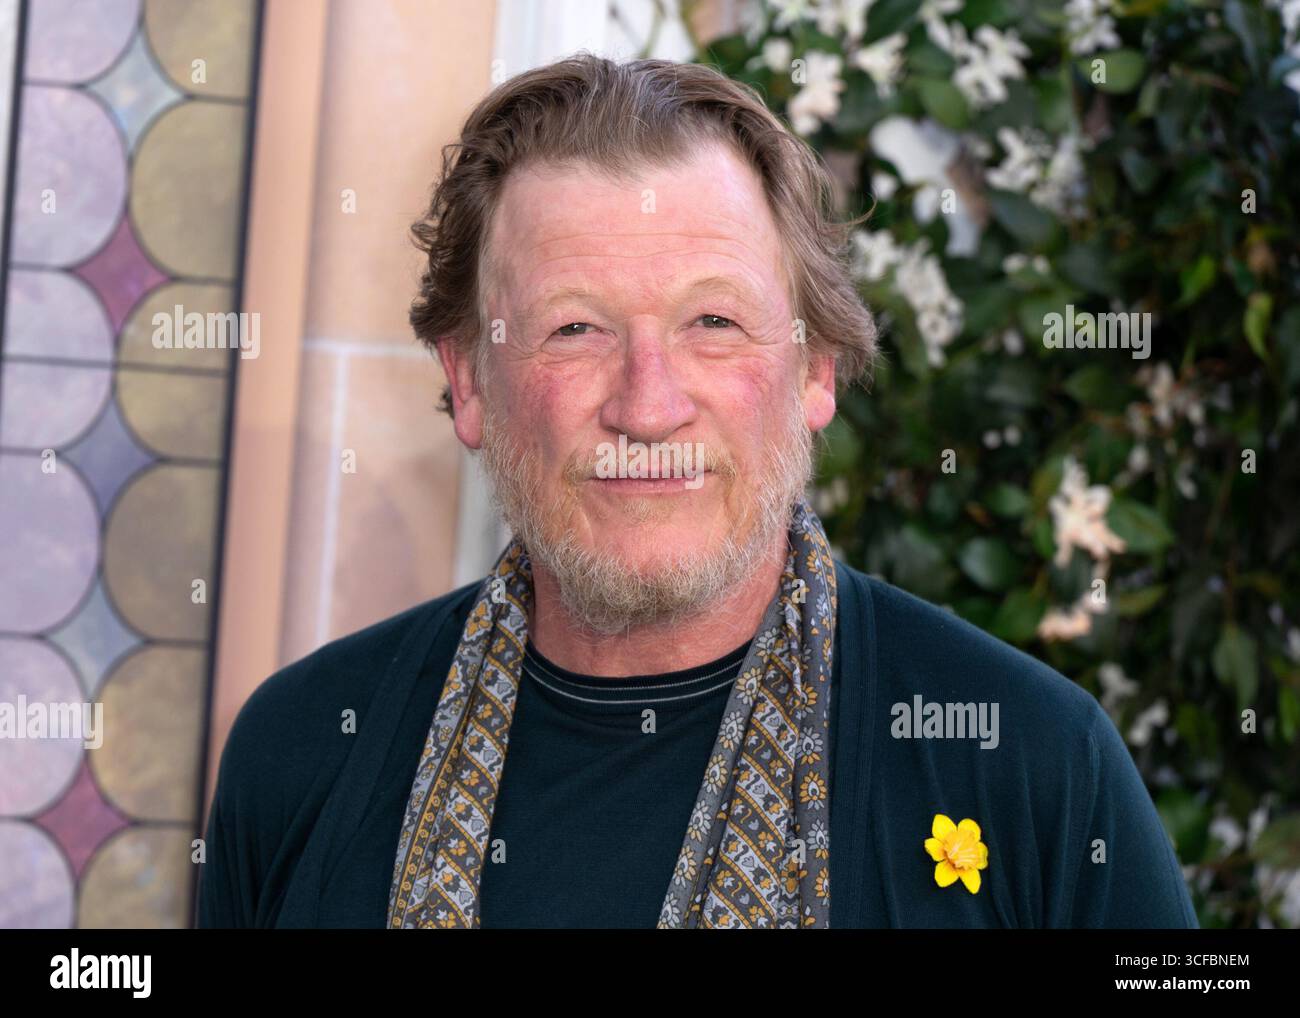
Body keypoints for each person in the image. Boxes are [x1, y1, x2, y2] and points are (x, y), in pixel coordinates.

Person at [197, 54, 1197, 929]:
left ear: (816, 369)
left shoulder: (1029, 766)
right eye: (574, 329)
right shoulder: (302, 753)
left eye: (712, 321)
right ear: (469, 382)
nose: (648, 405)